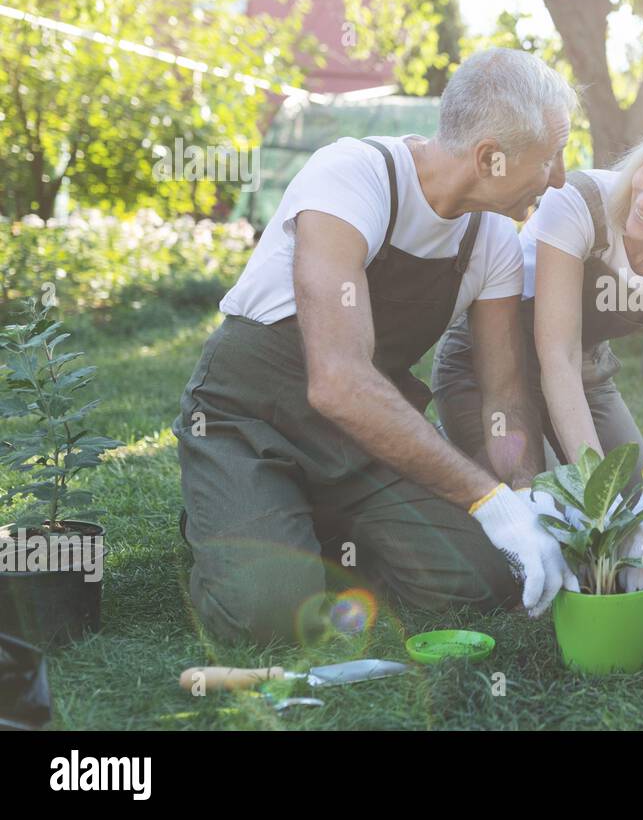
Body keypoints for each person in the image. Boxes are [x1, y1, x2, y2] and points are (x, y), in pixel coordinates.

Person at [172, 48, 578, 645]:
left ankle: (309, 522)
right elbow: (337, 380)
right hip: (252, 420)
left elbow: (504, 396)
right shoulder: (352, 177)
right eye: (549, 159)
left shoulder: (492, 239)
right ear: (490, 158)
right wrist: (487, 501)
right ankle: (230, 505)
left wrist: (525, 496)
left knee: (484, 577)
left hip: (365, 439)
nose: (561, 177)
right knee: (270, 611)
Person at [432, 113, 643, 591]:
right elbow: (557, 355)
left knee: (636, 511)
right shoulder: (582, 202)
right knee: (557, 518)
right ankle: (457, 446)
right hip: (488, 373)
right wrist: (593, 487)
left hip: (584, 375)